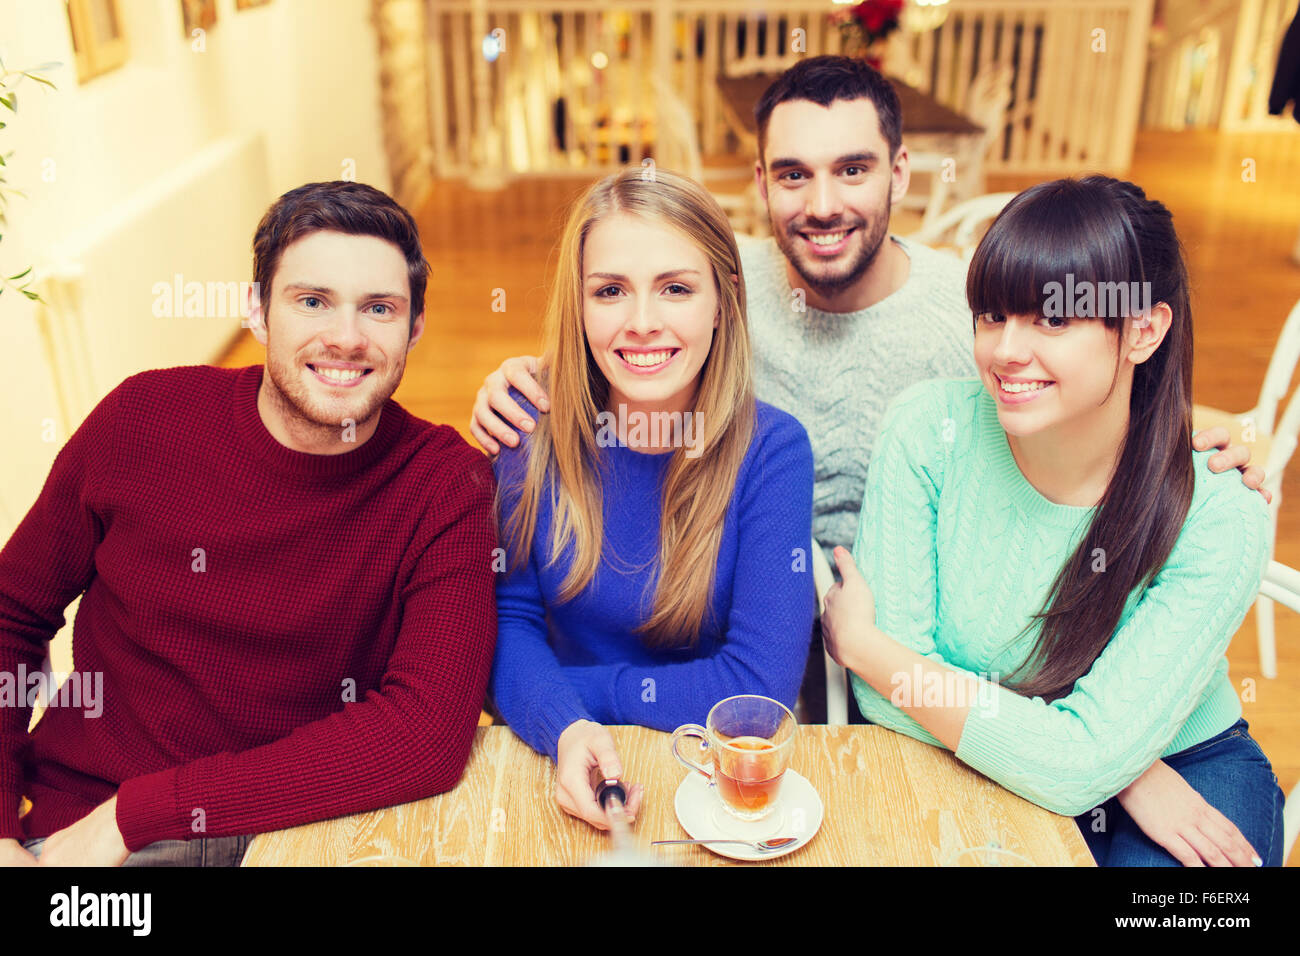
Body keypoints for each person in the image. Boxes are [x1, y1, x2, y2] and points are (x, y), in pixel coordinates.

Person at [467, 56, 1268, 722]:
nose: (822, 205)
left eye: (852, 170)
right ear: (759, 184)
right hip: (759, 611)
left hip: (906, 637)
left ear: (901, 172)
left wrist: (1188, 421)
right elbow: (623, 313)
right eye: (793, 175)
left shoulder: (974, 313)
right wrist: (520, 377)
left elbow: (1068, 367)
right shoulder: (716, 276)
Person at [0, 181, 497, 867]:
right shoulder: (142, 419)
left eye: (378, 308)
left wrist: (139, 814)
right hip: (78, 834)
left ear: (413, 329)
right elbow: (11, 612)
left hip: (296, 831)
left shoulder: (445, 484)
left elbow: (426, 733)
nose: (346, 338)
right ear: (259, 312)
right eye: (313, 301)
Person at [820, 176, 1286, 867]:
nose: (1007, 351)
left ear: (1143, 331)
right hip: (1029, 756)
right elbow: (888, 700)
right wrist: (1098, 761)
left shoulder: (1220, 509)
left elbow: (893, 670)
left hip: (1183, 763)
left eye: (1053, 320)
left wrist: (868, 647)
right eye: (992, 316)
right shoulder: (927, 430)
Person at [489, 167, 815, 831]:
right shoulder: (526, 424)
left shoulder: (775, 453)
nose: (642, 323)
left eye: (675, 288)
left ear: (722, 302)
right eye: (610, 291)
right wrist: (564, 726)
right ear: (579, 306)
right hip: (558, 757)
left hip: (710, 773)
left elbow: (756, 693)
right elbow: (503, 623)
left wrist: (559, 694)